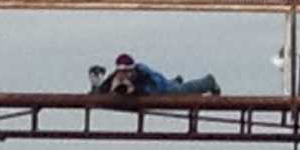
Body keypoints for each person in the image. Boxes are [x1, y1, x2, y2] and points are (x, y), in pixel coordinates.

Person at [93, 53, 221, 97]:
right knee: (174, 84)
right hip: (158, 85)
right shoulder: (116, 76)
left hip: (160, 88)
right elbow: (103, 90)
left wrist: (134, 90)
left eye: (126, 72)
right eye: (121, 72)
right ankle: (176, 80)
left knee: (182, 90)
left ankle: (208, 81)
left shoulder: (142, 73)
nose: (124, 75)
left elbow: (147, 90)